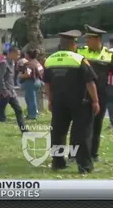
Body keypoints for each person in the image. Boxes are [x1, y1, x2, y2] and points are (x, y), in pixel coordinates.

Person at [44, 30, 100, 173]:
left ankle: (58, 163)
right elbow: (90, 82)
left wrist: (50, 101)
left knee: (58, 132)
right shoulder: (79, 59)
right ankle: (84, 166)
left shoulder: (50, 60)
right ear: (72, 44)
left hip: (58, 102)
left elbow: (47, 84)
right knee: (82, 133)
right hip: (80, 102)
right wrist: (95, 101)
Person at [76, 25, 112, 162]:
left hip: (101, 94)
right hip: (83, 93)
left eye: (89, 39)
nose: (86, 41)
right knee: (82, 125)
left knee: (97, 124)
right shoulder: (80, 52)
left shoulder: (109, 55)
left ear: (97, 39)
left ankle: (93, 154)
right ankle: (77, 154)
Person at [0, 46, 27, 136]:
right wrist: (4, 91)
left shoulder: (13, 63)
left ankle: (24, 130)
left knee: (18, 110)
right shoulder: (4, 63)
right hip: (5, 93)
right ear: (11, 53)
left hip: (11, 92)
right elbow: (0, 78)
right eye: (17, 54)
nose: (18, 56)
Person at [18, 48, 44, 120]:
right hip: (37, 81)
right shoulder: (36, 62)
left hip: (31, 83)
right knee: (30, 98)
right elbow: (42, 70)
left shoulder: (29, 64)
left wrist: (20, 75)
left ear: (28, 55)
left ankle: (32, 115)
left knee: (30, 99)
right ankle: (33, 112)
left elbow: (28, 74)